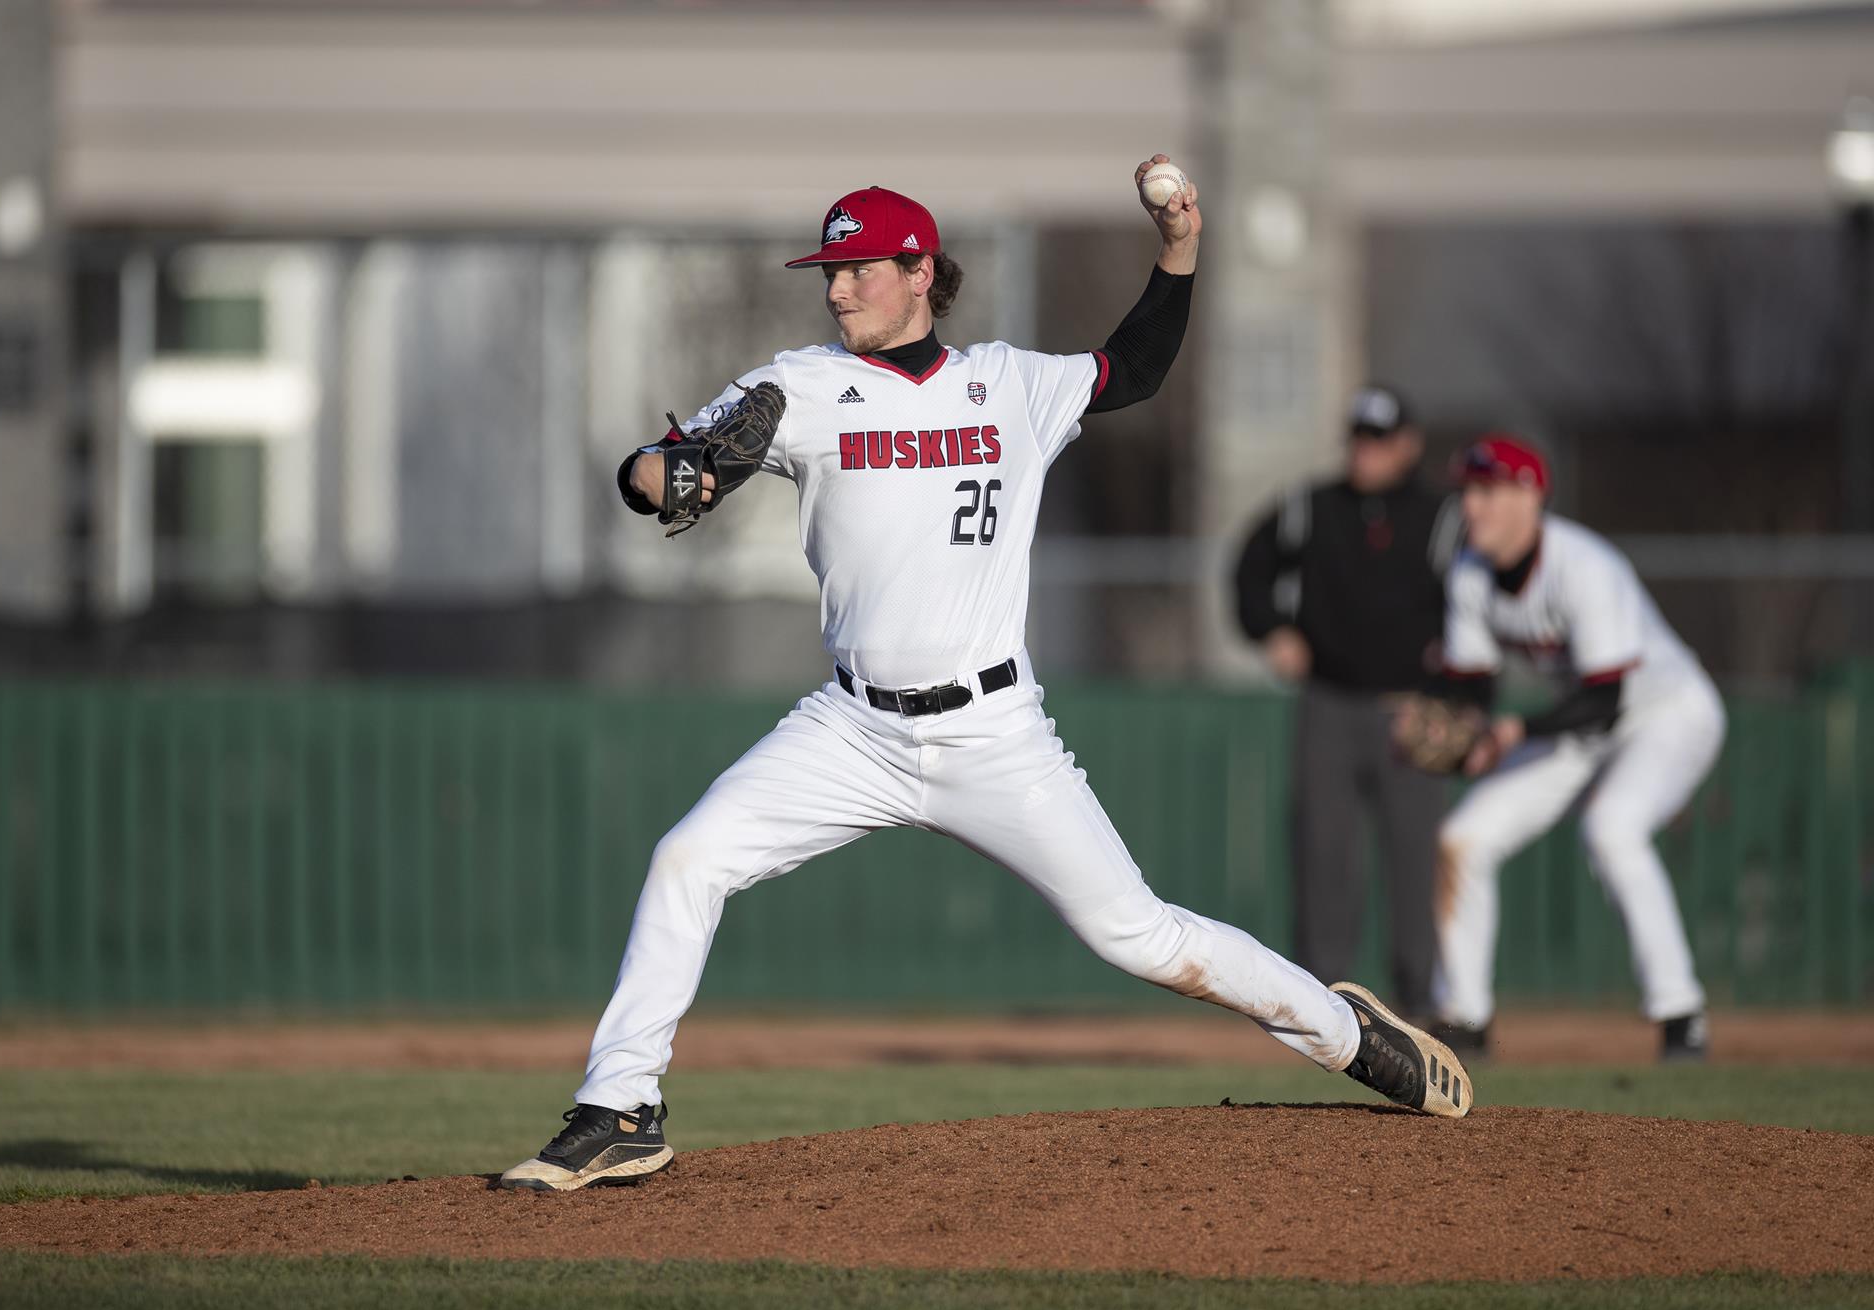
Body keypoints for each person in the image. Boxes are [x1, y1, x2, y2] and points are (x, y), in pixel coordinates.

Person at [497, 158, 1473, 1195]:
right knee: (688, 858)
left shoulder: (1009, 382)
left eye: (857, 268)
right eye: (827, 271)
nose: (835, 289)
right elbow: (662, 470)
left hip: (993, 730)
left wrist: (1178, 251)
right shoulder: (796, 387)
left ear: (919, 269)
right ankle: (621, 1107)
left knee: (1135, 935)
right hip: (850, 730)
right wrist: (660, 473)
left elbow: (1130, 370)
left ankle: (1344, 1032)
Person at [1420, 436, 1721, 1061]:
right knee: (1464, 838)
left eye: (1488, 490)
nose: (1472, 506)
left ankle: (1680, 1014)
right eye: (1468, 491)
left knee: (1612, 828)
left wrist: (1512, 733)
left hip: (1667, 714)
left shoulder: (1584, 566)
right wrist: (1465, 732)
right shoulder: (1471, 573)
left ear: (1530, 494)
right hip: (1575, 732)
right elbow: (1475, 682)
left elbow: (1606, 697)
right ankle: (1464, 1018)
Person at [1232, 385, 1463, 1017]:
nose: (1367, 452)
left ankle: (1423, 1001)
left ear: (1408, 445)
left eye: (1380, 440)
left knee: (1417, 856)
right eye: (1360, 438)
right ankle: (1320, 1004)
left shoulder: (1441, 517)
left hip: (1411, 709)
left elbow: (1474, 604)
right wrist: (1270, 628)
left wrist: (1450, 684)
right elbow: (1250, 567)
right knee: (1324, 852)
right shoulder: (1313, 506)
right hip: (1329, 703)